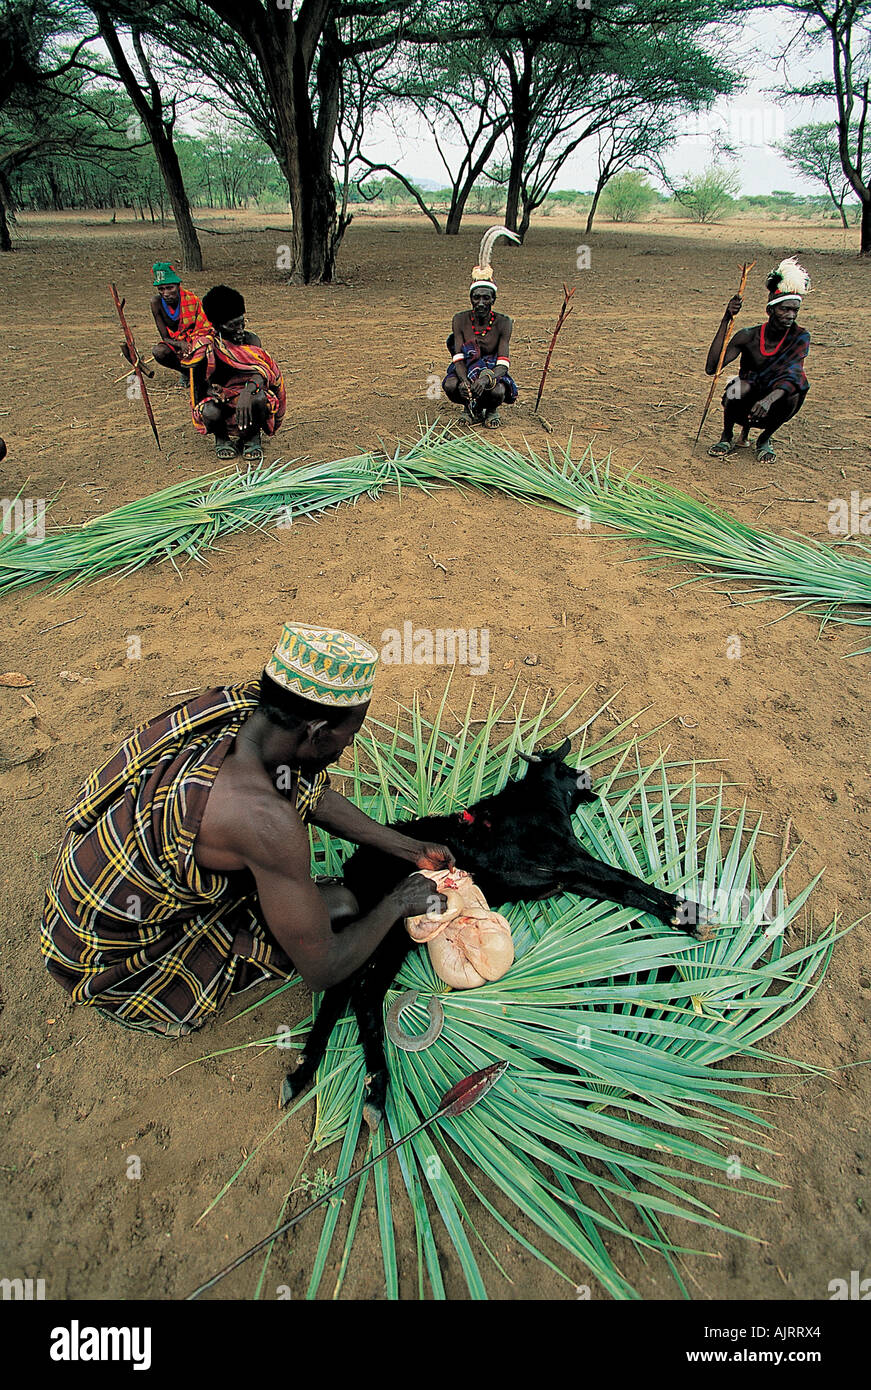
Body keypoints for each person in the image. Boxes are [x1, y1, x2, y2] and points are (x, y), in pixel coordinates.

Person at [40, 623, 453, 1036]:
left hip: (77, 898)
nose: (344, 753)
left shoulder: (246, 713)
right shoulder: (265, 822)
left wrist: (407, 848)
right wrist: (398, 902)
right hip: (108, 951)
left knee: (331, 903)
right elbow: (322, 968)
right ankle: (156, 993)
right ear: (316, 732)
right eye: (346, 740)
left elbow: (310, 791)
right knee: (342, 907)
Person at [706, 257, 811, 463]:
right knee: (737, 387)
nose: (790, 315)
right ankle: (727, 435)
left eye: (794, 310)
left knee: (794, 393)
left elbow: (794, 374)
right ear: (770, 310)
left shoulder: (800, 336)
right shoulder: (749, 336)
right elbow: (712, 367)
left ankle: (764, 439)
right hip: (744, 395)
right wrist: (726, 318)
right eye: (784, 309)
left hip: (774, 397)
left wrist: (768, 400)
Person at [182, 284, 286, 462]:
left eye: (242, 322)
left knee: (259, 398)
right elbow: (198, 388)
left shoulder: (251, 340)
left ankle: (252, 437)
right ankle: (221, 437)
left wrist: (247, 391)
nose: (240, 330)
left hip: (248, 394)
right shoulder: (207, 347)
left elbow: (262, 372)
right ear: (217, 326)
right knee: (209, 410)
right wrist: (214, 392)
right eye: (232, 325)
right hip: (220, 399)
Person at [442, 225, 520, 428]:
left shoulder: (504, 322)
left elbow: (503, 364)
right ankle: (469, 408)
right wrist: (464, 381)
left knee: (497, 392)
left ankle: (491, 409)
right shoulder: (459, 320)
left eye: (486, 298)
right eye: (477, 298)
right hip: (466, 368)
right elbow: (458, 357)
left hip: (491, 372)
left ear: (494, 299)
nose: (481, 303)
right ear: (471, 299)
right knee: (451, 385)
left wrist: (486, 379)